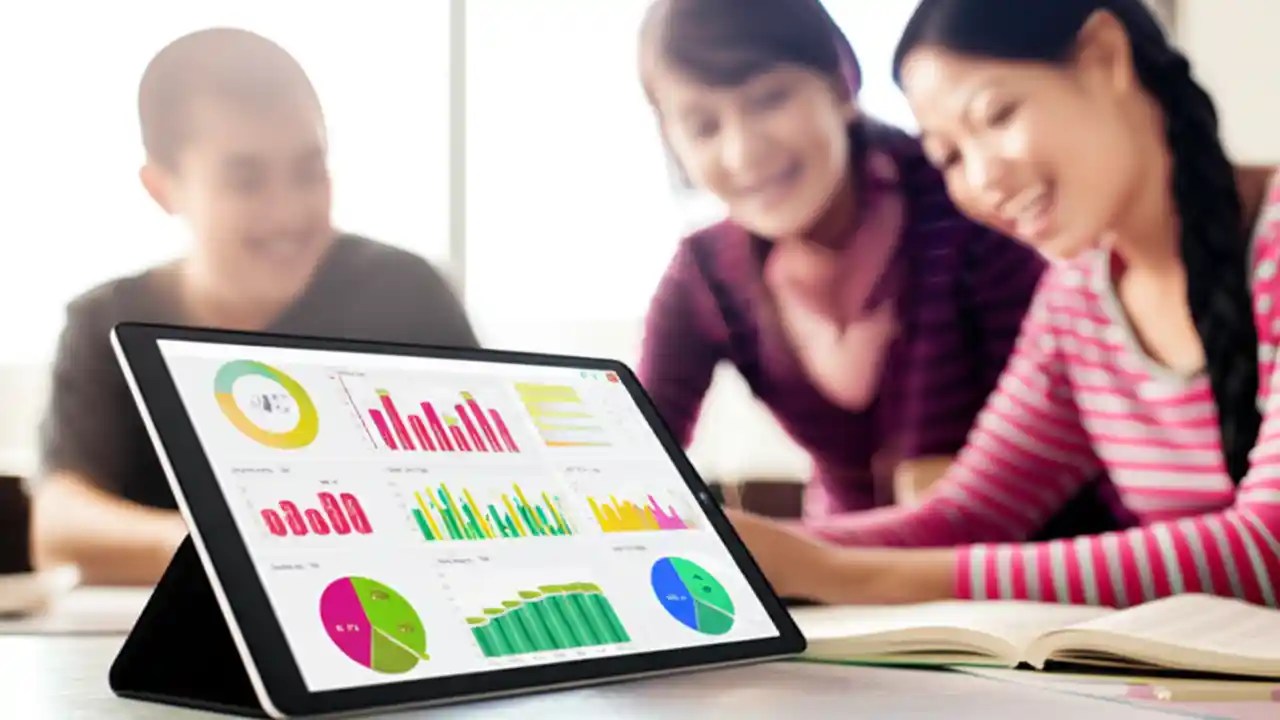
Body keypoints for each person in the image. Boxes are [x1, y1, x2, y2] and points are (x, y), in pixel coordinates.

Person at [726, 0, 1280, 609]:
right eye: (950, 157)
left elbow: (1267, 549)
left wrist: (837, 573)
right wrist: (767, 550)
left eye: (998, 114)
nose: (985, 180)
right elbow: (966, 516)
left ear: (1104, 57)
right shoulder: (1078, 300)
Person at [31, 28, 478, 585]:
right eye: (246, 182)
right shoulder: (105, 321)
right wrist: (242, 546)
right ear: (163, 189)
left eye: (309, 172)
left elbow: (486, 484)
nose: (287, 212)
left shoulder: (407, 293)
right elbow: (60, 528)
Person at [635, 0, 1048, 516]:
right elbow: (633, 458)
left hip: (1019, 566)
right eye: (703, 127)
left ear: (842, 82)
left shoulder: (974, 204)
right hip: (842, 569)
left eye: (768, 100)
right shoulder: (705, 274)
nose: (742, 153)